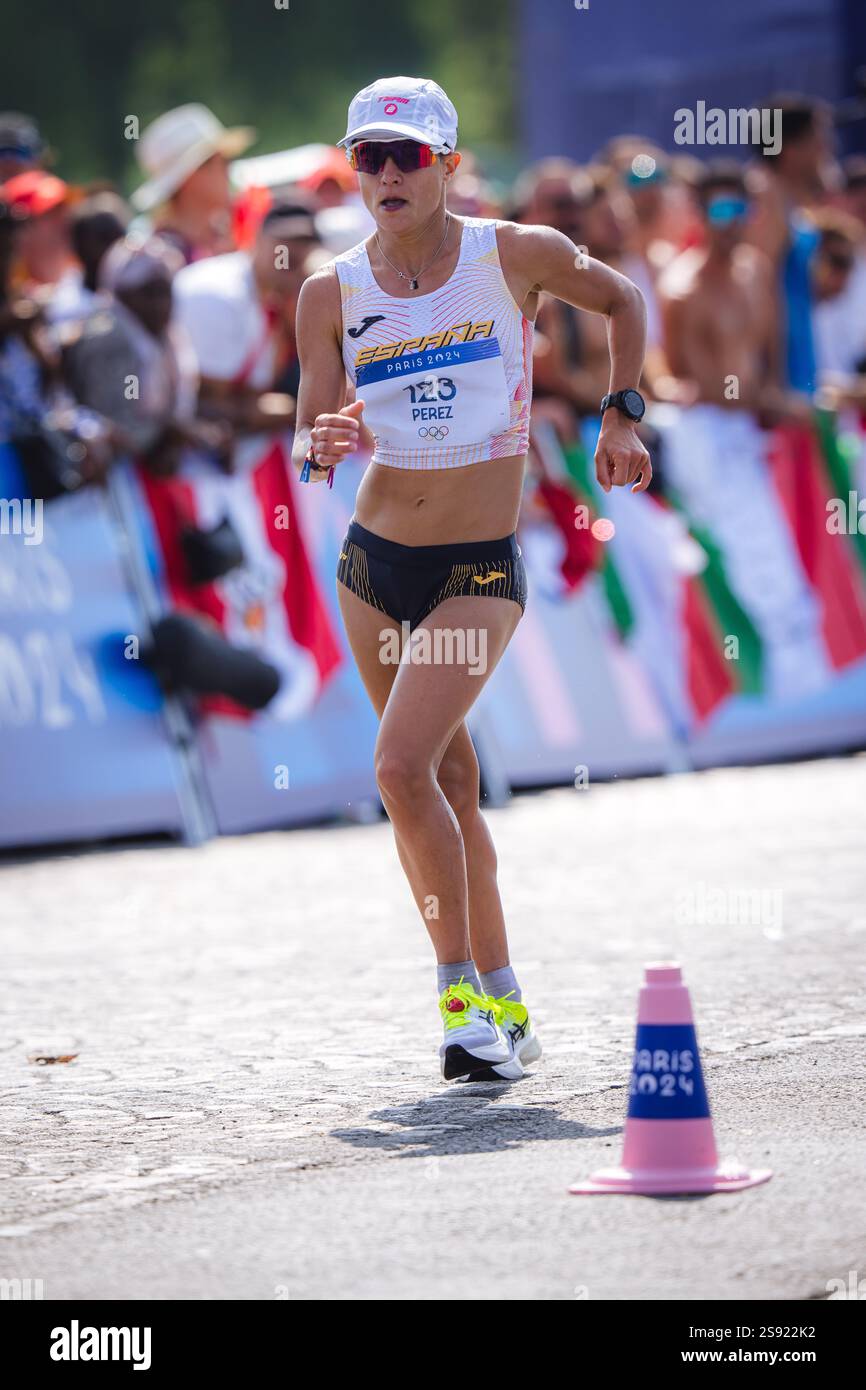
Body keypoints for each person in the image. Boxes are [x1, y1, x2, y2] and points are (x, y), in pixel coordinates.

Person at [292, 76, 650, 1082]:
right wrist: (319, 443)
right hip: (372, 566)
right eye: (369, 156)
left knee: (399, 768)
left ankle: (457, 1006)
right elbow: (310, 433)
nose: (387, 173)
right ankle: (503, 1003)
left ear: (446, 164)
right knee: (446, 785)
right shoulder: (328, 291)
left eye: (407, 155)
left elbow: (621, 299)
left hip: (477, 568)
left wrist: (620, 413)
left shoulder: (514, 254)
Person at [658, 160, 828, 699]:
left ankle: (800, 691)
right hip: (710, 439)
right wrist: (765, 401)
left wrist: (772, 398)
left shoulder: (756, 271)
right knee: (756, 567)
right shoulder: (683, 287)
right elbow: (690, 382)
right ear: (701, 215)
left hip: (750, 432)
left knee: (780, 562)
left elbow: (766, 359)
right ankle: (782, 696)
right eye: (721, 210)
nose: (732, 221)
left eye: (741, 209)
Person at [132, 104, 256, 264]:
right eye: (223, 160)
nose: (229, 169)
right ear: (191, 175)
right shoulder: (162, 260)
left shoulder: (224, 241)